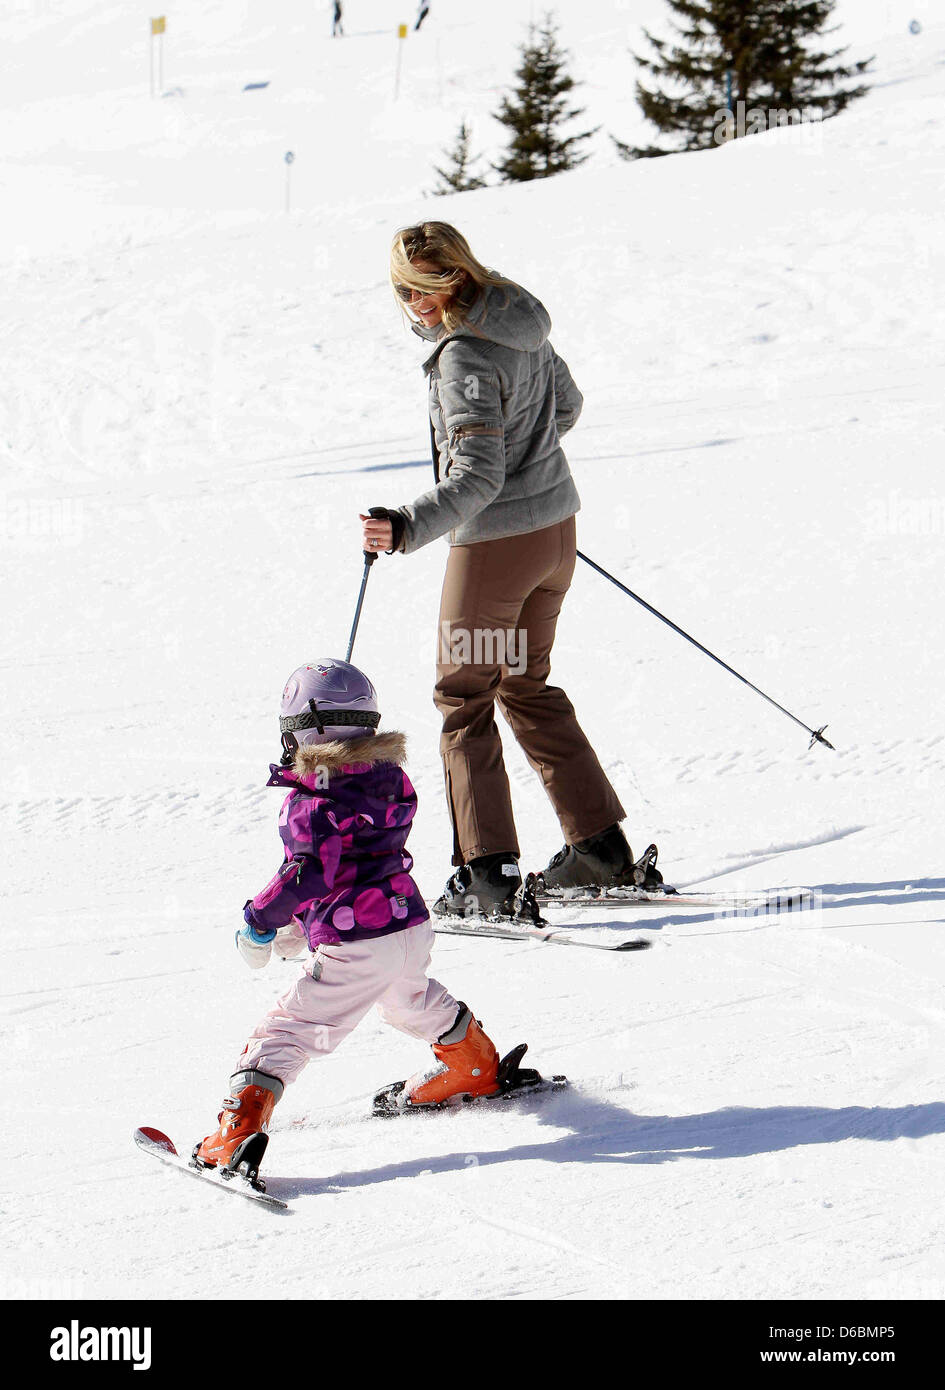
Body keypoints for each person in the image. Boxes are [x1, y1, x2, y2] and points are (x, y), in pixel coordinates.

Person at [360, 222, 663, 920]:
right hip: (553, 535)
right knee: (525, 683)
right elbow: (567, 406)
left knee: (464, 697)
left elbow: (477, 475)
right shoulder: (519, 317)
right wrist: (530, 470)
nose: (413, 306)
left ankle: (487, 876)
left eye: (420, 292)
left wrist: (404, 526)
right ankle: (599, 850)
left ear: (446, 284)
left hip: (497, 550)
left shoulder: (463, 356)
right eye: (406, 293)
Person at [193, 658, 505, 1182]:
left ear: (304, 734)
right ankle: (473, 1066)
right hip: (409, 923)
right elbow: (355, 852)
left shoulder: (310, 804)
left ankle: (235, 1133)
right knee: (410, 999)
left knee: (289, 1030)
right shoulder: (390, 777)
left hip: (359, 940)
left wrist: (261, 921)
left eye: (289, 734)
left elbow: (307, 873)